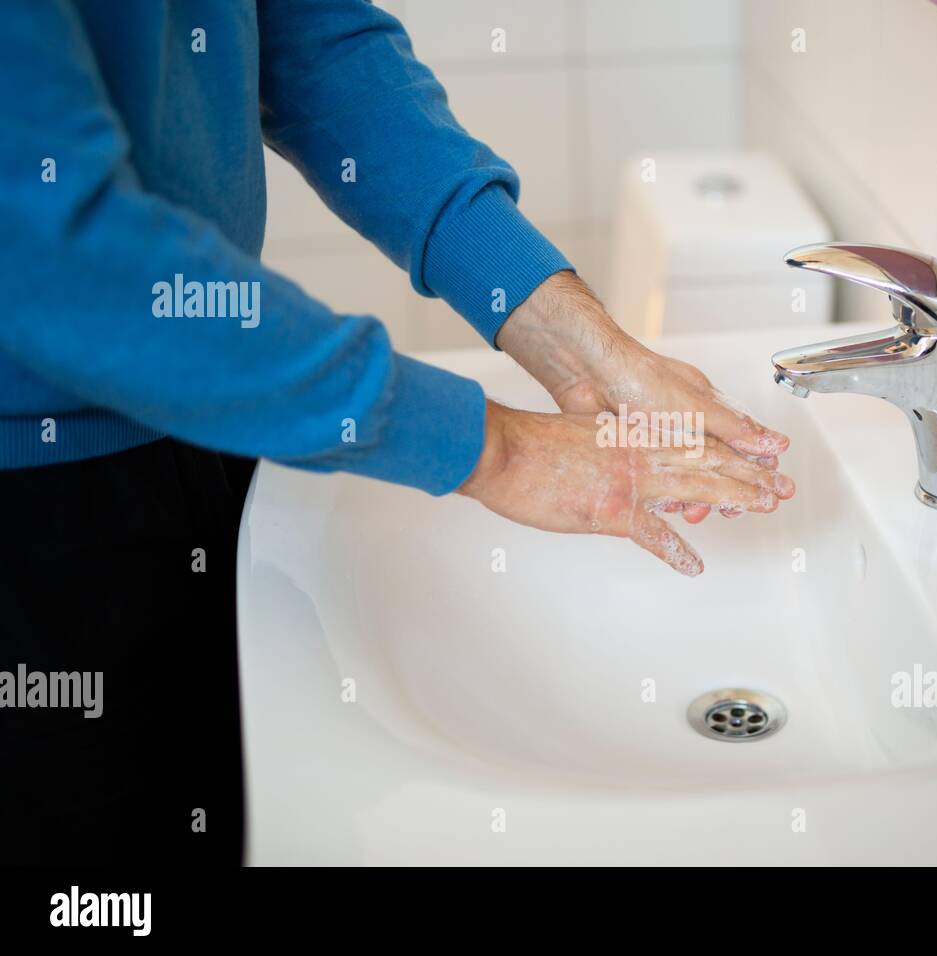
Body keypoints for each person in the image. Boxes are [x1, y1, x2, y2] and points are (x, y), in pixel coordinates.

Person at [0, 1, 795, 864]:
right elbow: (54, 250)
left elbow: (310, 41)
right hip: (35, 507)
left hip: (207, 416)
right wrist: (496, 448)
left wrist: (563, 329)